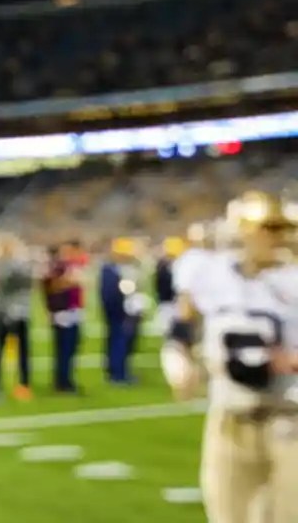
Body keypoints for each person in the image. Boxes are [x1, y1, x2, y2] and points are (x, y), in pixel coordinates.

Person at [160, 191, 298, 523]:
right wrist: (179, 364)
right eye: (266, 228)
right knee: (227, 515)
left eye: (278, 229)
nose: (273, 237)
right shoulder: (209, 273)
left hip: (290, 418)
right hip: (229, 416)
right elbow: (181, 331)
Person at [0, 232, 34, 400]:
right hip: (6, 312)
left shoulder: (14, 266)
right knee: (2, 351)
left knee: (20, 351)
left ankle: (22, 384)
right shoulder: (6, 266)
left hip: (15, 312)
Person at [98, 238, 142, 385]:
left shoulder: (118, 269)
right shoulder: (110, 270)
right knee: (119, 342)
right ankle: (119, 374)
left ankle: (116, 371)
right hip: (118, 312)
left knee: (117, 341)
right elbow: (110, 294)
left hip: (119, 312)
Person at [42, 242, 84, 394]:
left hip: (72, 310)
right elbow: (52, 286)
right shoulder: (57, 268)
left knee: (71, 348)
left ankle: (66, 379)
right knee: (64, 349)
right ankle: (62, 381)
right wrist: (71, 281)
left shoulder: (66, 267)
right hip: (62, 312)